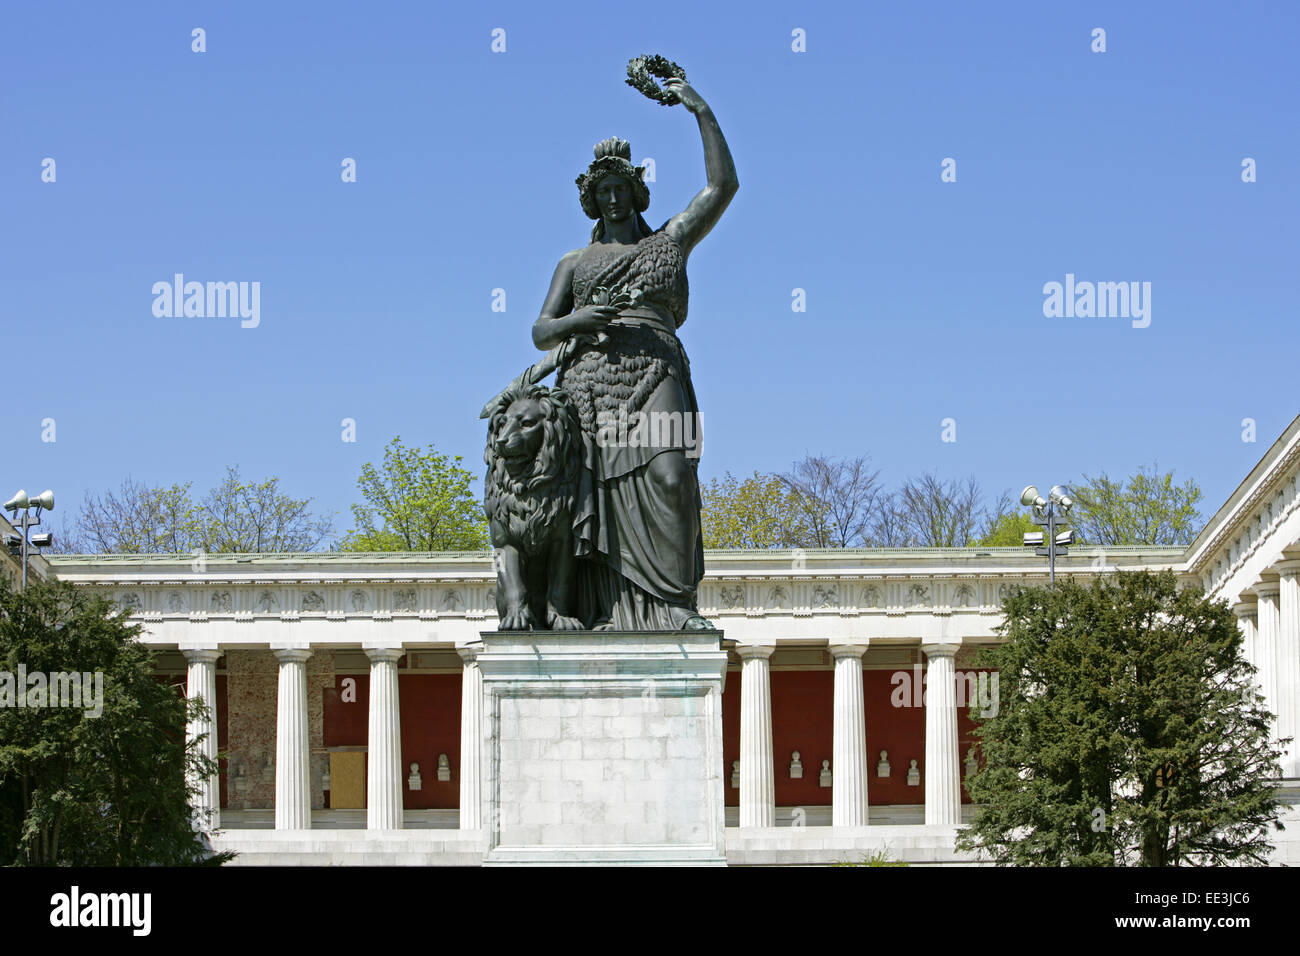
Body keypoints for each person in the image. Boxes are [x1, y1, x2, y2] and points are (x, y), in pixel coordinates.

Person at [530, 77, 738, 630]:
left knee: (672, 476)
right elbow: (541, 331)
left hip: (657, 364)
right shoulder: (575, 261)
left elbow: (722, 186)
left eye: (621, 187)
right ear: (592, 200)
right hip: (589, 381)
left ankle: (672, 605)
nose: (613, 198)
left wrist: (698, 108)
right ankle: (601, 609)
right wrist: (581, 319)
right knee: (588, 496)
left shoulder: (667, 240)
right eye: (603, 192)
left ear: (636, 190)